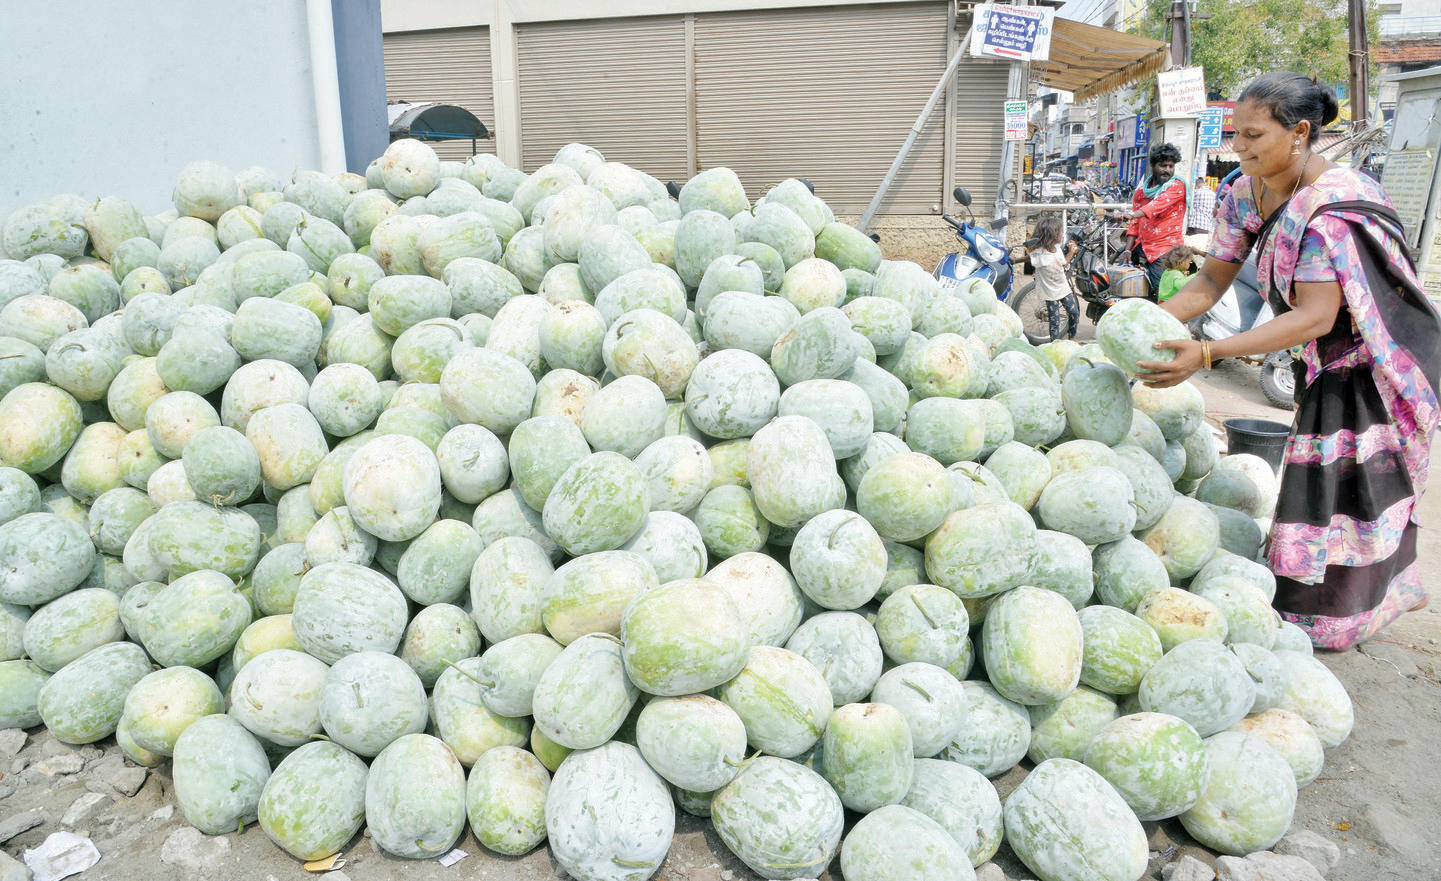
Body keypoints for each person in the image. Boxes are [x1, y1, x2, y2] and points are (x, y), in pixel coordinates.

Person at [1137, 71, 1441, 652]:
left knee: (1355, 491)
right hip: (1318, 364)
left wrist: (1207, 352)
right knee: (1322, 488)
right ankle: (1336, 604)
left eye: (1253, 135)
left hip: (1368, 366)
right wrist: (1148, 326)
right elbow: (1209, 279)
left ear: (1299, 132)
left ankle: (1339, 616)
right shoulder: (1241, 193)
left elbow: (1316, 317)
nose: (1239, 147)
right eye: (1235, 134)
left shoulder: (1332, 208)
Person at [1124, 141, 1189, 297]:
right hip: (1142, 247)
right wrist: (1127, 249)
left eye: (1171, 166)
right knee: (1127, 289)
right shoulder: (1141, 192)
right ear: (1152, 165)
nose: (1167, 170)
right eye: (1163, 166)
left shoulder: (1177, 186)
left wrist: (1131, 214)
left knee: (1163, 295)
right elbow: (1135, 224)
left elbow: (1156, 205)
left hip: (1165, 250)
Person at [1025, 214, 1078, 341]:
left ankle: (1072, 338)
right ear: (1053, 234)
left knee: (1073, 312)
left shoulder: (1057, 250)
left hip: (1062, 287)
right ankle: (1054, 344)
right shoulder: (1039, 253)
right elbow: (1028, 258)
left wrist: (1071, 252)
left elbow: (1064, 265)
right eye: (1060, 232)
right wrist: (1014, 261)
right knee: (1055, 320)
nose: (1062, 235)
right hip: (1049, 291)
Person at [1187, 173, 1217, 239]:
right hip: (1206, 227)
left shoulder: (1195, 193)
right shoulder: (1213, 194)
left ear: (1197, 185)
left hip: (1194, 226)